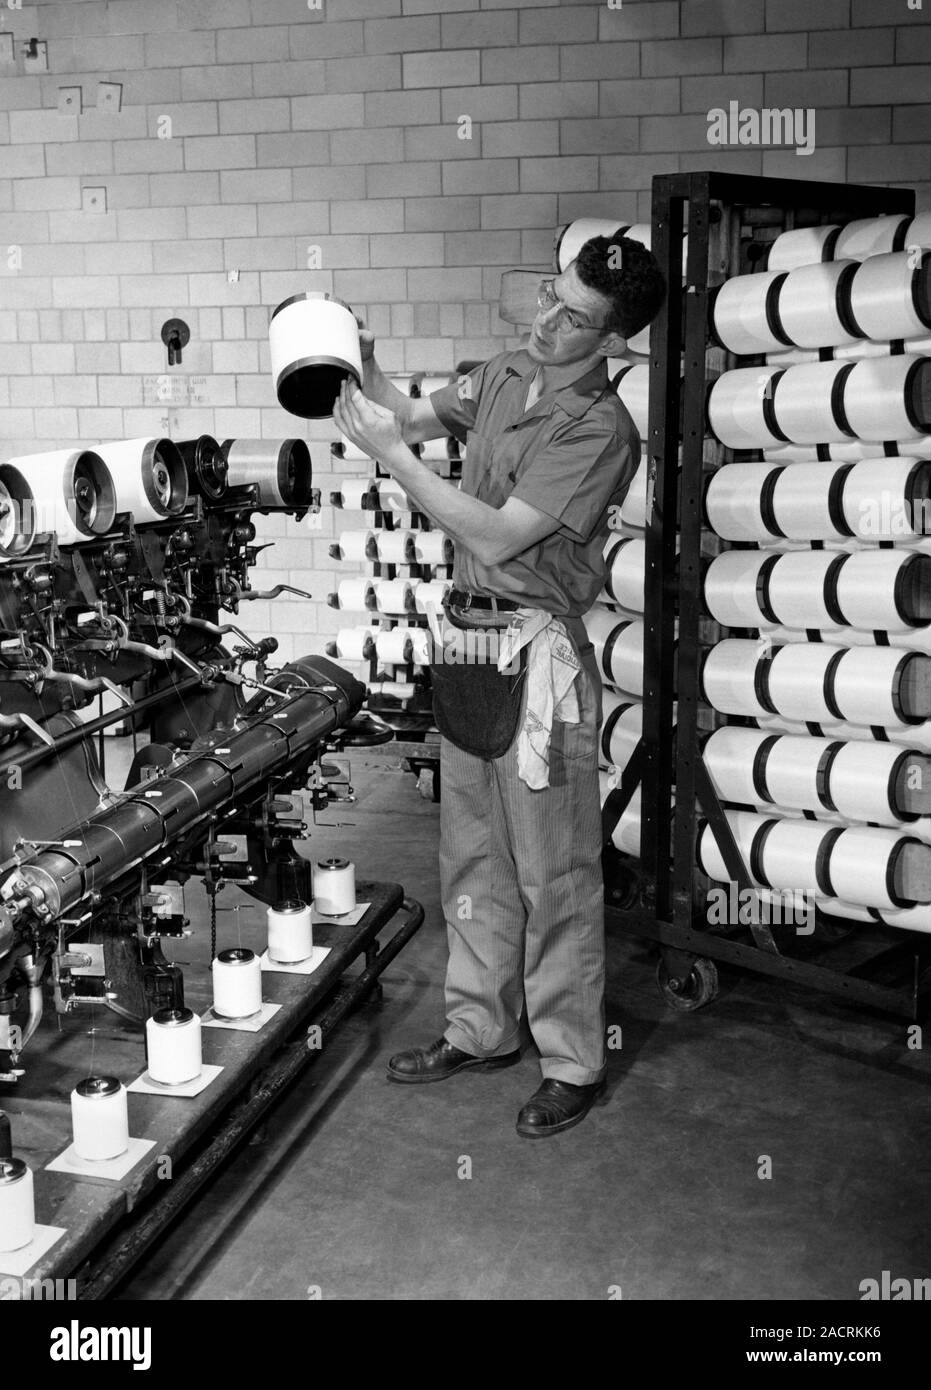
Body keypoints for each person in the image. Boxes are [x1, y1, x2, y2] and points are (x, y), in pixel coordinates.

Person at [333, 234, 666, 1138]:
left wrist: (394, 462)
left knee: (552, 870)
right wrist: (365, 366)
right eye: (549, 297)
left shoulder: (596, 429)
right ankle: (480, 1028)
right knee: (472, 856)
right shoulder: (504, 372)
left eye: (574, 318)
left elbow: (492, 535)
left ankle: (573, 1060)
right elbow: (408, 415)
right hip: (468, 643)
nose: (547, 322)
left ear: (614, 341)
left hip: (536, 657)